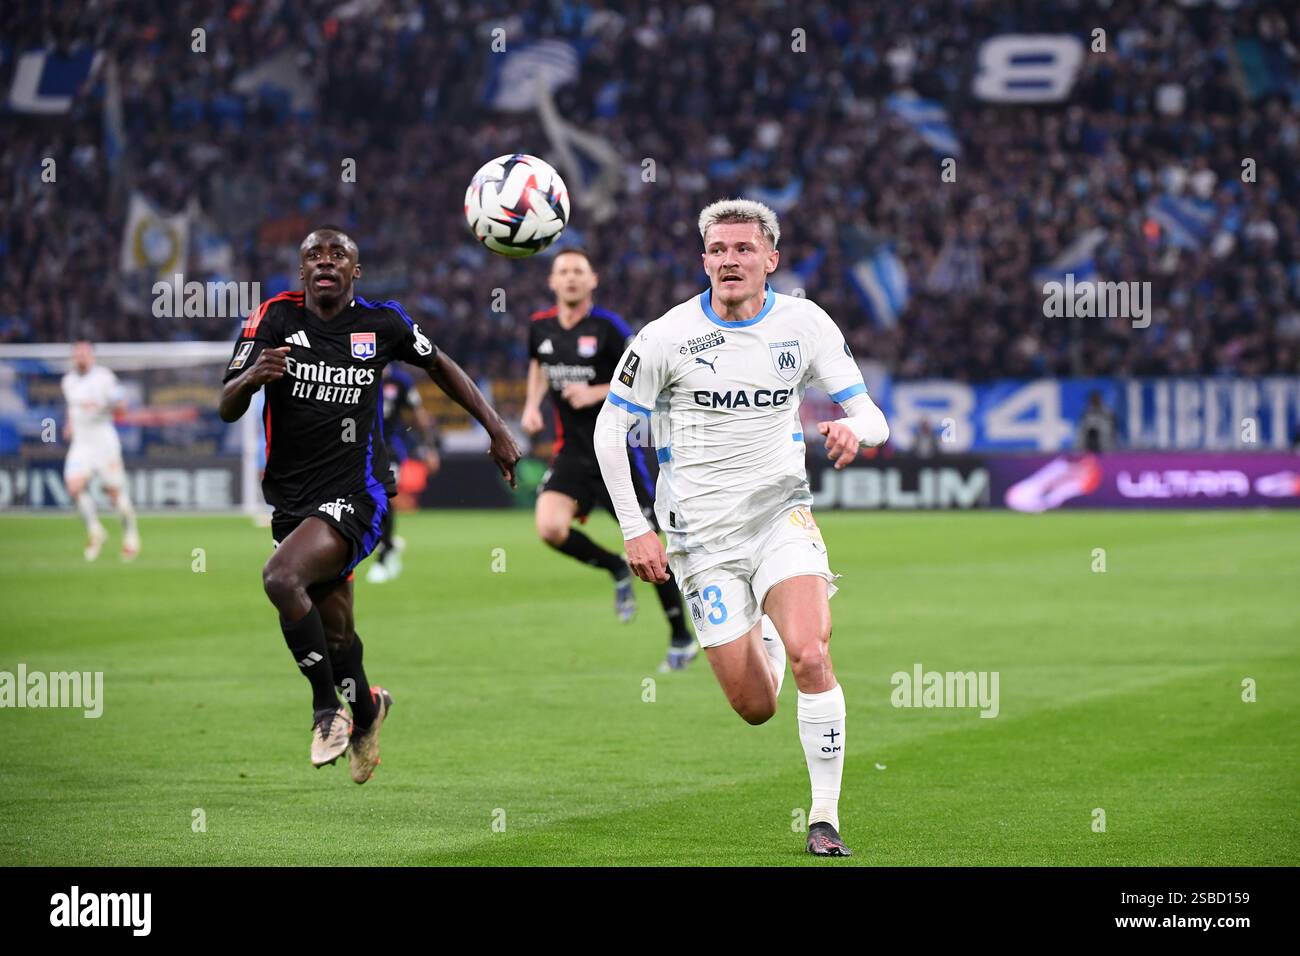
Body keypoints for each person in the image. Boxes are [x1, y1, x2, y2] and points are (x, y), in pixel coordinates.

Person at [594, 200, 889, 855]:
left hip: (780, 517)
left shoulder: (803, 323)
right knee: (755, 706)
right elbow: (610, 428)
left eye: (744, 249)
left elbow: (874, 415)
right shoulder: (665, 336)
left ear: (770, 260)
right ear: (704, 261)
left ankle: (824, 817)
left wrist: (854, 431)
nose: (731, 260)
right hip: (699, 541)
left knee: (814, 650)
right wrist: (634, 528)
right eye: (719, 250)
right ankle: (765, 638)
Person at [218, 226, 520, 781]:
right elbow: (227, 405)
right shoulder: (273, 320)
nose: (325, 261)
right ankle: (367, 708)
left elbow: (441, 365)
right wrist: (253, 376)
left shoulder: (383, 323)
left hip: (360, 493)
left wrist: (496, 428)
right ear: (302, 269)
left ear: (355, 271)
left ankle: (324, 710)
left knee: (281, 579)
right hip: (293, 502)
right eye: (314, 255)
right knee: (335, 639)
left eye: (338, 255)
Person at [522, 248, 696, 671]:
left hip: (616, 453)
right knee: (549, 527)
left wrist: (595, 392)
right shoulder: (540, 328)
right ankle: (615, 568)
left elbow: (642, 381)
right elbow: (538, 365)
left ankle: (681, 638)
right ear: (552, 281)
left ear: (592, 280)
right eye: (563, 271)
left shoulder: (609, 328)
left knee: (652, 546)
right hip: (571, 454)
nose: (570, 278)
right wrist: (531, 405)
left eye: (578, 271)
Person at [61, 340, 140, 561]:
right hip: (81, 443)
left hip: (103, 441)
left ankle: (131, 536)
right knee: (73, 486)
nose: (80, 357)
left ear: (92, 356)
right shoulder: (68, 381)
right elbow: (71, 407)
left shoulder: (105, 378)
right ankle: (96, 531)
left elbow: (122, 406)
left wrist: (107, 406)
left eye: (84, 353)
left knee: (114, 494)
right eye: (77, 354)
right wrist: (69, 425)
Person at [366, 362, 442, 583]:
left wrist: (430, 448)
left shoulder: (400, 380)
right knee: (367, 500)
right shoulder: (357, 371)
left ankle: (383, 555)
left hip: (390, 449)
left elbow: (418, 414)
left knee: (382, 495)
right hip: (358, 446)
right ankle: (388, 544)